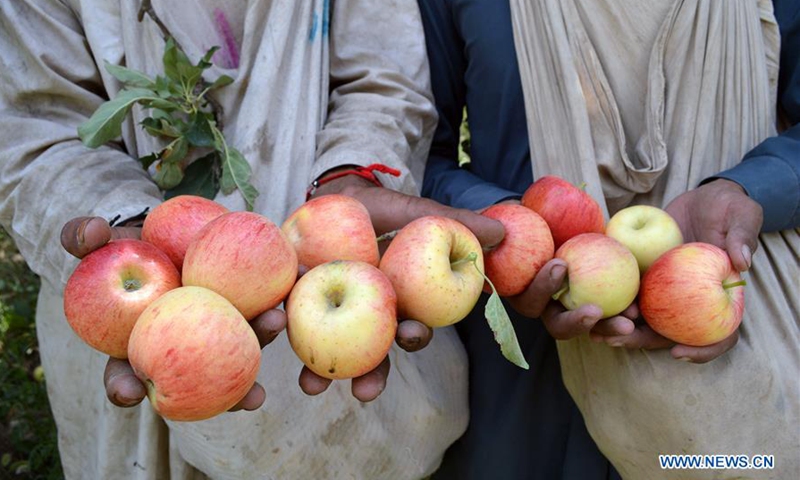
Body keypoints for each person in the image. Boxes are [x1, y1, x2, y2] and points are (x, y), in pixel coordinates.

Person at [0, 1, 506, 479]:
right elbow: (36, 124)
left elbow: (385, 77)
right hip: (134, 304)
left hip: (319, 296)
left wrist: (353, 170)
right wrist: (130, 229)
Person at [418, 0, 799, 478]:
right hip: (518, 382)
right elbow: (416, 154)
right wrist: (513, 228)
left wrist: (749, 188)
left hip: (731, 357)